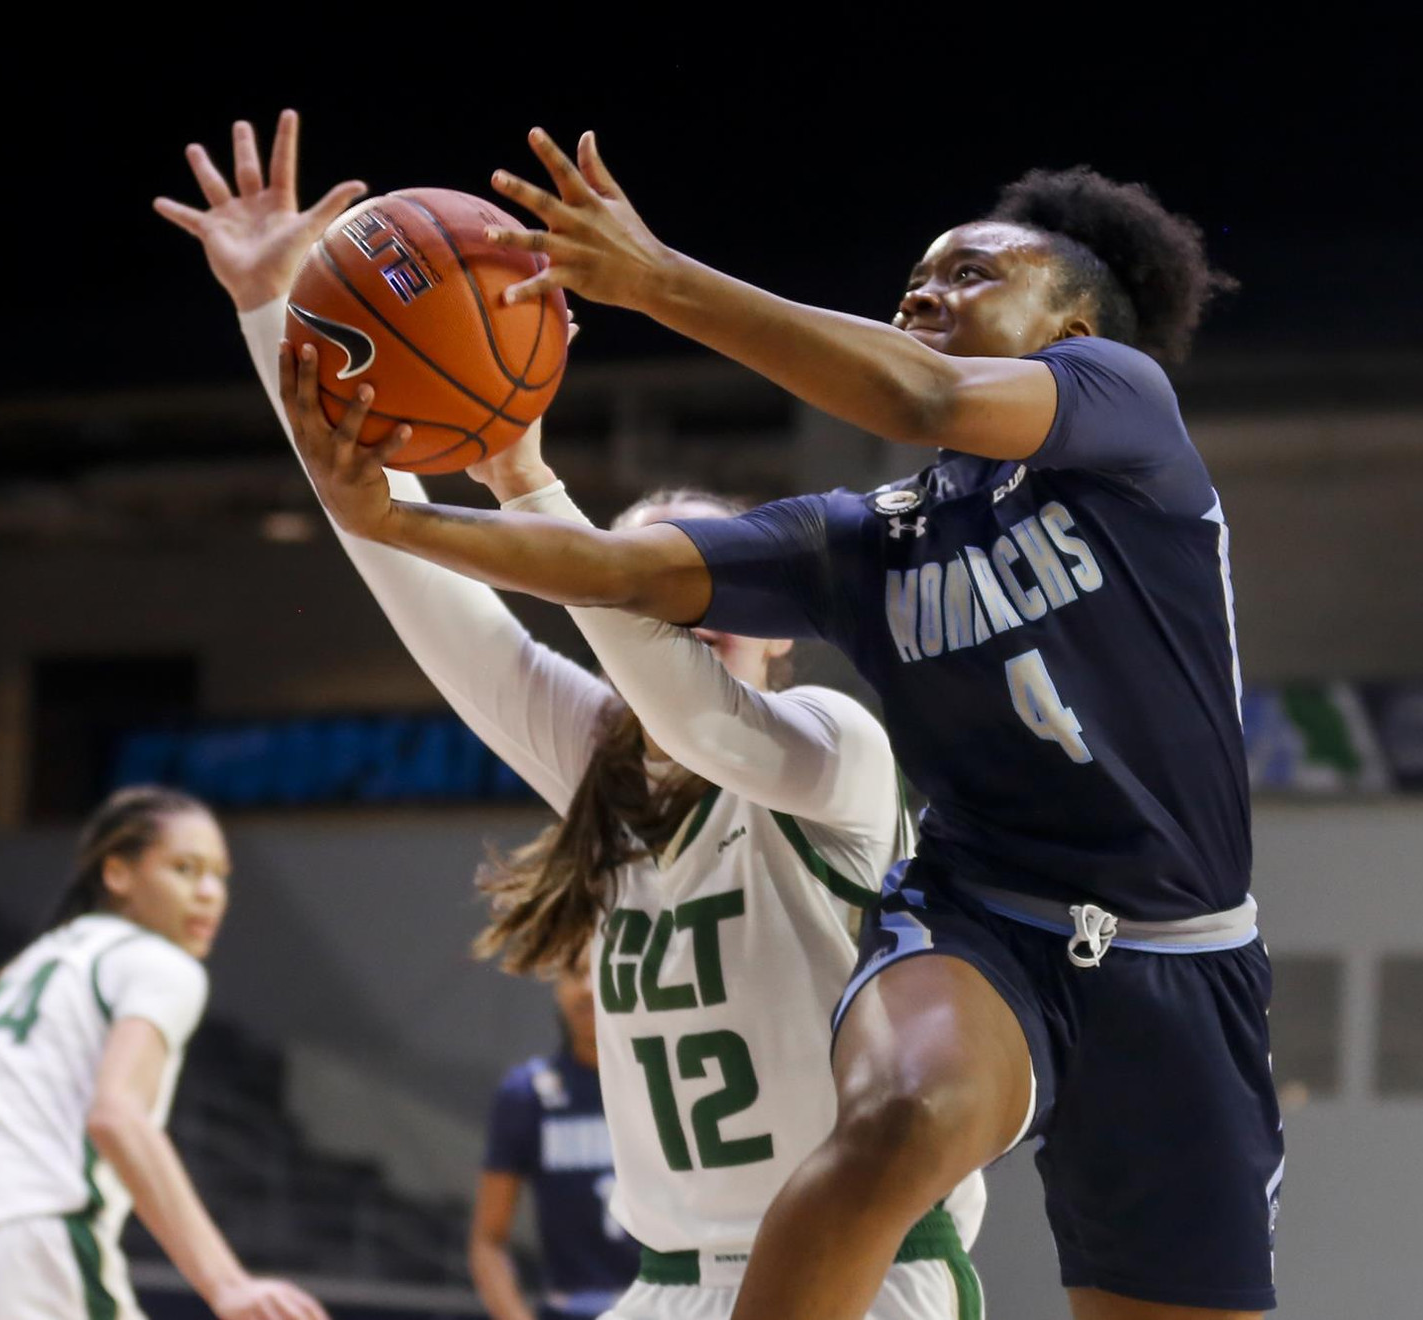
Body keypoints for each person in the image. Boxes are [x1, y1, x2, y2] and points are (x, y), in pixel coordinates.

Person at [272, 126, 1281, 1320]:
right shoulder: (867, 538)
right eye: (918, 276)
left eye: (973, 272)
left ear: (1071, 333)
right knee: (904, 1115)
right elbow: (625, 574)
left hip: (1184, 953)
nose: (927, 289)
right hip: (991, 919)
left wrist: (655, 279)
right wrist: (395, 522)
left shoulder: (1130, 414)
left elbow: (922, 393)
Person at [154, 110, 986, 1320]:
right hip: (658, 1289)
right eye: (641, 581)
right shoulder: (605, 769)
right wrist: (280, 316)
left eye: (697, 585)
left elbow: (693, 720)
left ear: (778, 625)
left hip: (861, 1281)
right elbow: (406, 570)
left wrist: (526, 486)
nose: (666, 605)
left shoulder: (835, 758)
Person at [0, 786, 328, 1320]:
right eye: (185, 869)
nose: (209, 892)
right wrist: (226, 1282)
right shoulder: (159, 963)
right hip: (27, 1248)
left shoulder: (29, 965)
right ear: (117, 874)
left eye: (219, 876)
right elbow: (116, 1115)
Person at [472, 947, 640, 1320]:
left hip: (664, 1306)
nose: (589, 988)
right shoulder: (526, 1094)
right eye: (575, 972)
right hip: (571, 1309)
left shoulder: (668, 1086)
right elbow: (487, 1241)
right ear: (554, 986)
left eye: (601, 971)